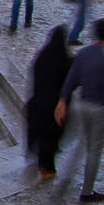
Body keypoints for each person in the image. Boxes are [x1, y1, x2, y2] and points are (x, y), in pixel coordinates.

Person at [52, 19, 104, 205]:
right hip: (101, 109)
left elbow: (72, 79)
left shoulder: (83, 54)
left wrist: (62, 100)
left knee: (80, 146)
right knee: (94, 151)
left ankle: (64, 180)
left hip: (81, 105)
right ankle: (87, 191)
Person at [27, 26, 72, 180]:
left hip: (39, 101)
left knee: (43, 135)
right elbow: (68, 85)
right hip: (54, 105)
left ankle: (42, 163)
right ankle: (47, 169)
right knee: (50, 137)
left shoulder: (42, 56)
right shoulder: (64, 61)